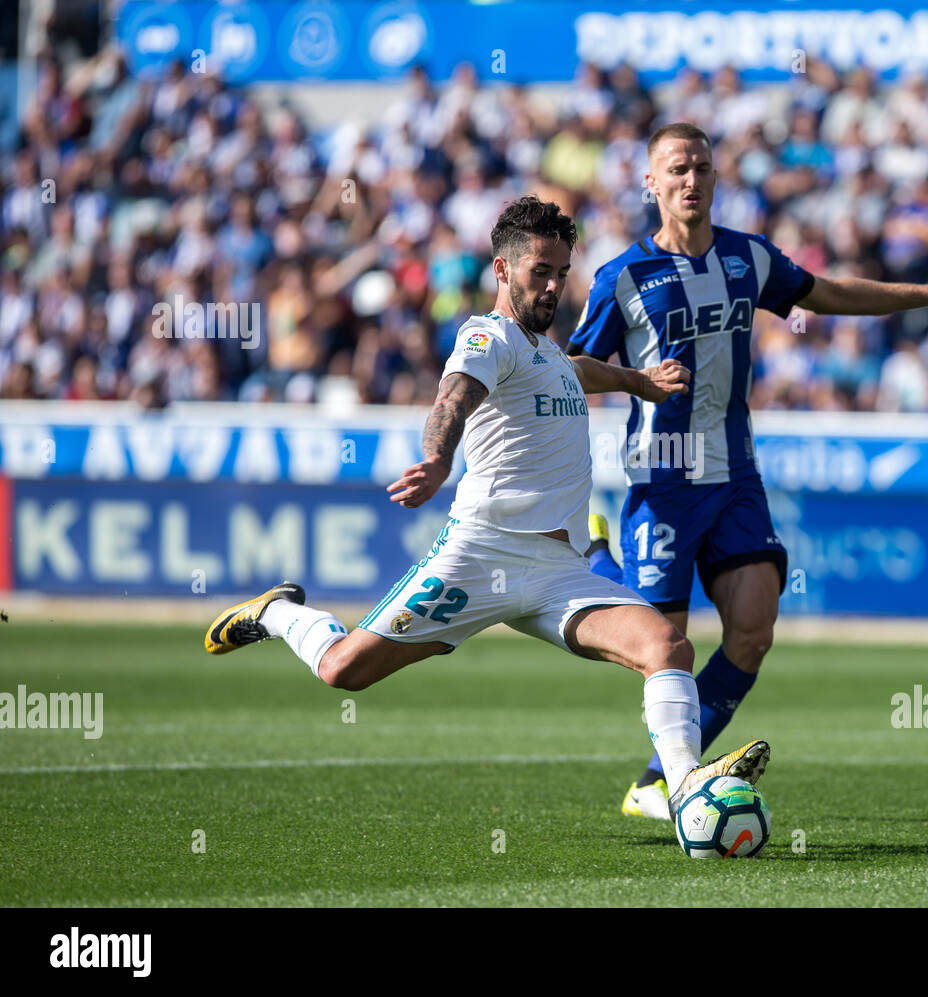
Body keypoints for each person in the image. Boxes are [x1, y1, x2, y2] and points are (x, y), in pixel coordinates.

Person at [203, 195, 769, 817]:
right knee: (344, 671)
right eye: (540, 272)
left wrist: (640, 381)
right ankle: (280, 613)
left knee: (668, 648)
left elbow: (582, 371)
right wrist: (438, 459)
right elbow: (452, 399)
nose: (553, 285)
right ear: (502, 270)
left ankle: (685, 787)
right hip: (479, 556)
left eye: (561, 272)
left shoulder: (548, 353)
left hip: (559, 572)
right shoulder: (487, 335)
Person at [569, 123, 928, 819]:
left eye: (702, 167)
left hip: (736, 476)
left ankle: (656, 783)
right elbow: (573, 365)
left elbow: (825, 293)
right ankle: (597, 564)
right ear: (650, 182)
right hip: (664, 480)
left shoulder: (748, 257)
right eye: (677, 168)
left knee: (753, 630)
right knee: (662, 647)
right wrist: (635, 377)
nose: (691, 179)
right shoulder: (623, 277)